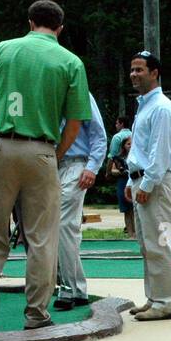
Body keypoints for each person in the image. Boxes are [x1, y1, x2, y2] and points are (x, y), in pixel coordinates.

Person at [0, 0, 91, 334]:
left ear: (30, 21)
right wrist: (55, 153)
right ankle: (36, 313)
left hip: (0, 147)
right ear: (59, 28)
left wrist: (5, 122)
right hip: (42, 151)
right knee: (41, 237)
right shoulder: (70, 61)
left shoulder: (3, 49)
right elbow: (76, 122)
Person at [126, 50, 171, 322]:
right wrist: (131, 181)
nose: (134, 74)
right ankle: (154, 297)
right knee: (147, 244)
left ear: (155, 73)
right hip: (141, 181)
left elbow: (161, 151)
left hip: (155, 184)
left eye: (140, 69)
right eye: (132, 69)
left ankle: (167, 301)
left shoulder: (162, 107)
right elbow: (141, 148)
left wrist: (146, 184)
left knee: (160, 242)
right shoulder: (144, 106)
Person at [55, 92, 107, 311]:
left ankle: (67, 288)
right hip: (50, 164)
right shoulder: (44, 88)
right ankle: (78, 288)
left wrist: (92, 167)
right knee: (66, 228)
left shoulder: (80, 94)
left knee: (63, 224)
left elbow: (98, 135)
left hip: (76, 164)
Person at [108, 116, 136, 239]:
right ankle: (130, 233)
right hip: (123, 181)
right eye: (128, 144)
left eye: (117, 123)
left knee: (135, 208)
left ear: (121, 123)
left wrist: (107, 172)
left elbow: (110, 155)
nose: (130, 145)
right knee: (126, 209)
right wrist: (119, 172)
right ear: (123, 145)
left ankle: (138, 232)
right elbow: (114, 160)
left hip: (135, 181)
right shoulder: (120, 158)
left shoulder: (116, 137)